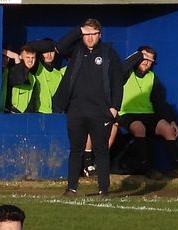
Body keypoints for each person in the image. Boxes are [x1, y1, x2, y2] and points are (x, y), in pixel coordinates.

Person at [51, 19, 124, 196]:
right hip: (76, 110)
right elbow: (59, 47)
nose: (90, 38)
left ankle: (103, 189)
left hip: (100, 111)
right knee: (76, 149)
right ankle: (71, 188)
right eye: (86, 34)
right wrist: (78, 30)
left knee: (101, 150)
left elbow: (117, 81)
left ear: (100, 34)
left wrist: (114, 107)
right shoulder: (76, 50)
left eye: (93, 34)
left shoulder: (109, 53)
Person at [116, 46, 178, 179]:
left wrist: (171, 120)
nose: (146, 62)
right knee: (139, 128)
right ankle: (145, 167)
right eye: (143, 58)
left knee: (168, 130)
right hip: (127, 113)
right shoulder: (126, 73)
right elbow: (121, 68)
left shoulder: (152, 77)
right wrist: (136, 57)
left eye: (150, 60)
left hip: (148, 114)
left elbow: (159, 102)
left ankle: (176, 168)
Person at [2, 44, 39, 114]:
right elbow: (19, 79)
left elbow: (32, 101)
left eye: (33, 57)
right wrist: (16, 57)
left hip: (24, 117)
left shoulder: (32, 77)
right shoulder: (11, 70)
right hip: (10, 114)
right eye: (28, 57)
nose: (30, 60)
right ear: (21, 57)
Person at [32, 44, 65, 116]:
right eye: (45, 51)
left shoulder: (58, 74)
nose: (49, 55)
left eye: (51, 51)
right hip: (37, 113)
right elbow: (31, 46)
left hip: (53, 114)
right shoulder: (37, 66)